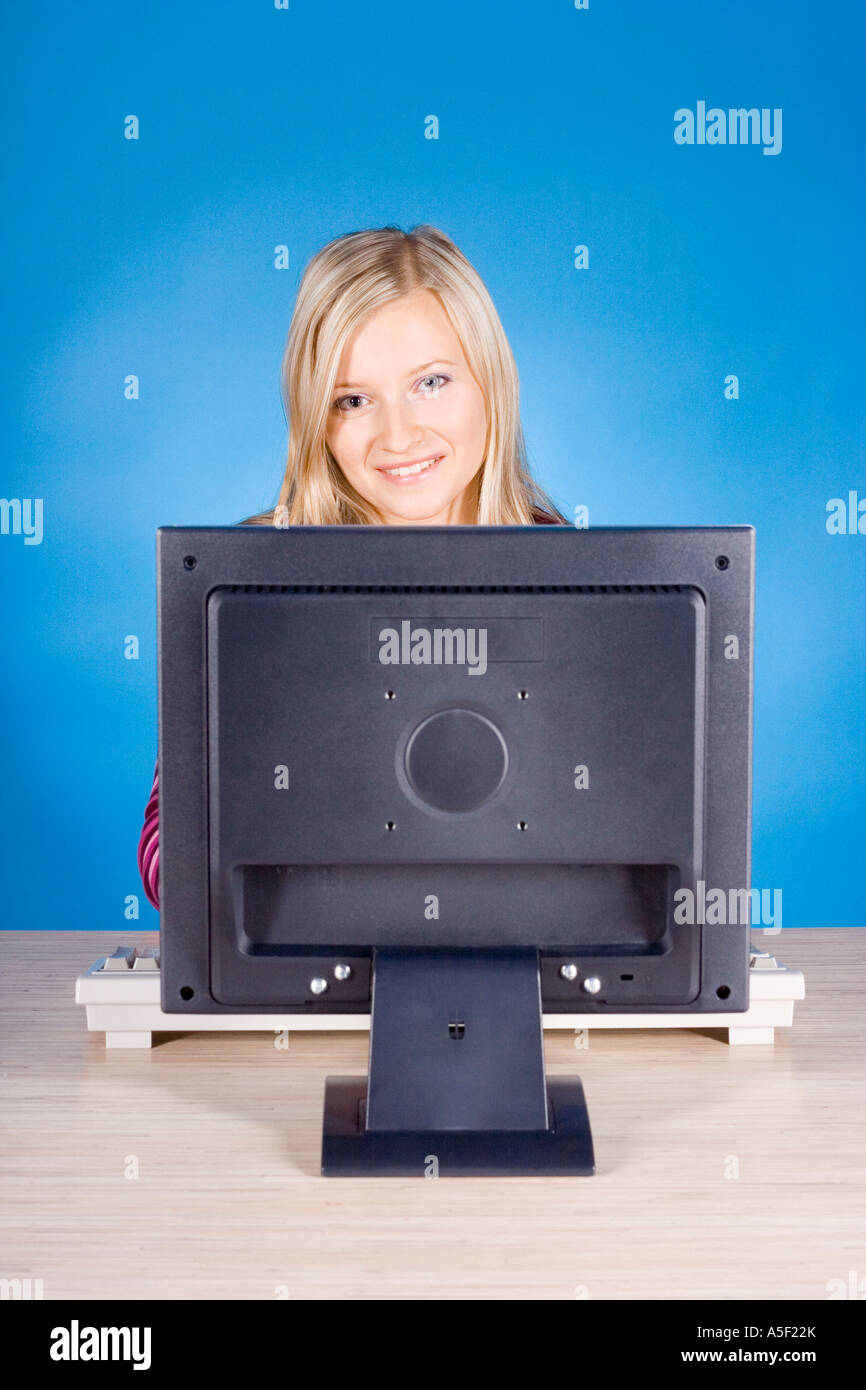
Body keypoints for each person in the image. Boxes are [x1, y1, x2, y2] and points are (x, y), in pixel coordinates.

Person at [137, 223, 569, 910]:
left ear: (490, 381)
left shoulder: (584, 580)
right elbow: (166, 857)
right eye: (354, 400)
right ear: (319, 420)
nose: (398, 434)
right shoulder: (248, 587)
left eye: (430, 382)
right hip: (310, 976)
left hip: (528, 975)